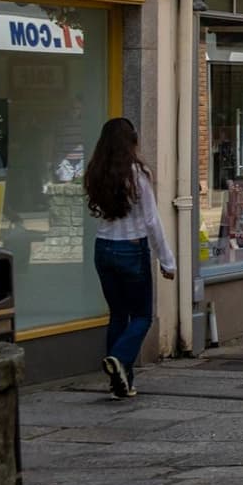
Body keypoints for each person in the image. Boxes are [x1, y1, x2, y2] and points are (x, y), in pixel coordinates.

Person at [83, 118, 175, 399]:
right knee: (143, 315)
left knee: (118, 315)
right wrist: (167, 260)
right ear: (131, 141)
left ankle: (122, 382)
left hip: (103, 248)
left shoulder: (96, 172)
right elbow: (152, 220)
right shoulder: (138, 174)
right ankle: (120, 358)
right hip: (131, 249)